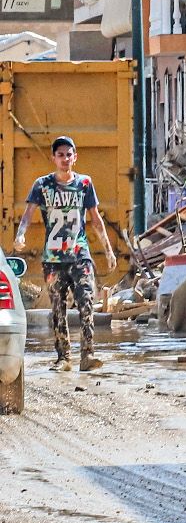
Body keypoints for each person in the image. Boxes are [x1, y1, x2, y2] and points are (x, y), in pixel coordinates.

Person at [14, 135, 115, 372]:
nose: (65, 159)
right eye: (60, 155)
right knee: (58, 308)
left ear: (75, 157)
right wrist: (20, 234)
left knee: (86, 302)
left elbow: (96, 219)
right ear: (53, 158)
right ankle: (63, 358)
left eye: (69, 154)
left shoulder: (84, 184)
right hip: (53, 259)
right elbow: (28, 213)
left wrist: (108, 251)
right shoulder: (42, 185)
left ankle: (88, 355)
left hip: (80, 255)